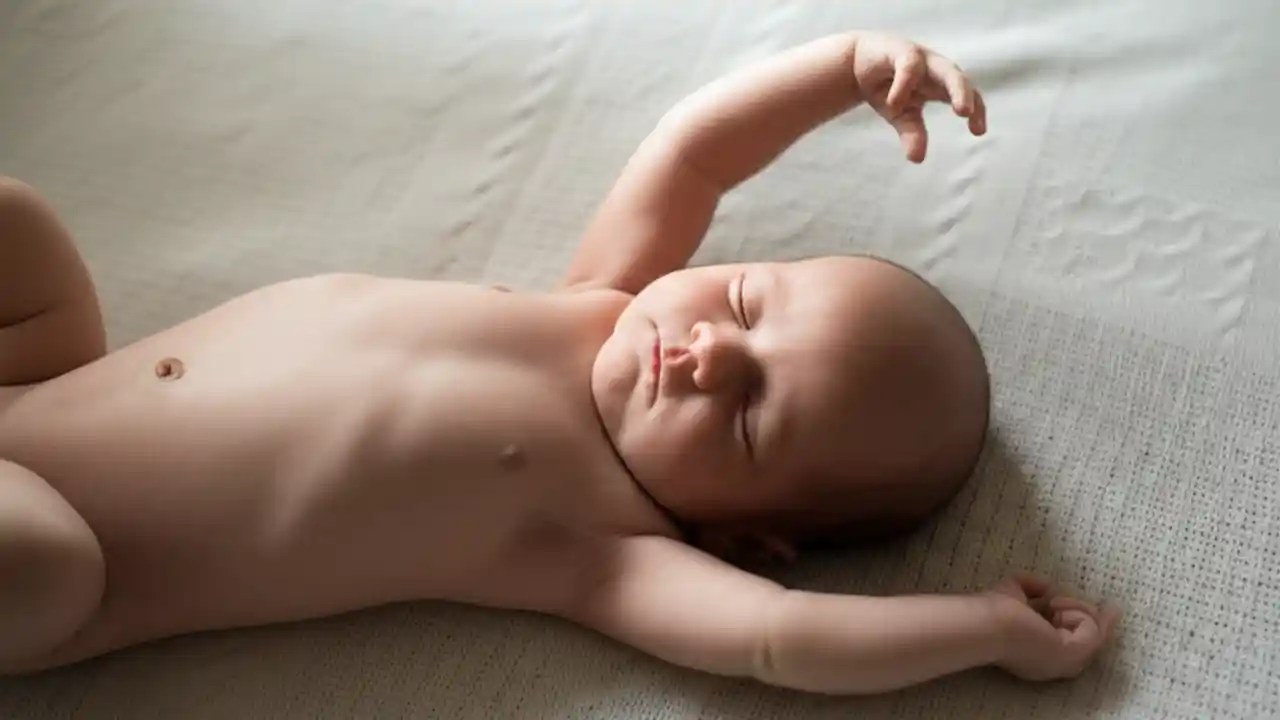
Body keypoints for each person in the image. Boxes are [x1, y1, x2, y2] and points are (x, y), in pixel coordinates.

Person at [0, 31, 1117, 693]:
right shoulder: (595, 300)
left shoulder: (597, 549)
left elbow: (783, 640)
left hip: (64, 547)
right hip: (38, 381)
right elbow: (690, 152)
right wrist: (844, 67)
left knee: (35, 560)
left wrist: (979, 632)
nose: (708, 352)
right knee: (21, 223)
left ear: (751, 537)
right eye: (741, 302)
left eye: (749, 415)